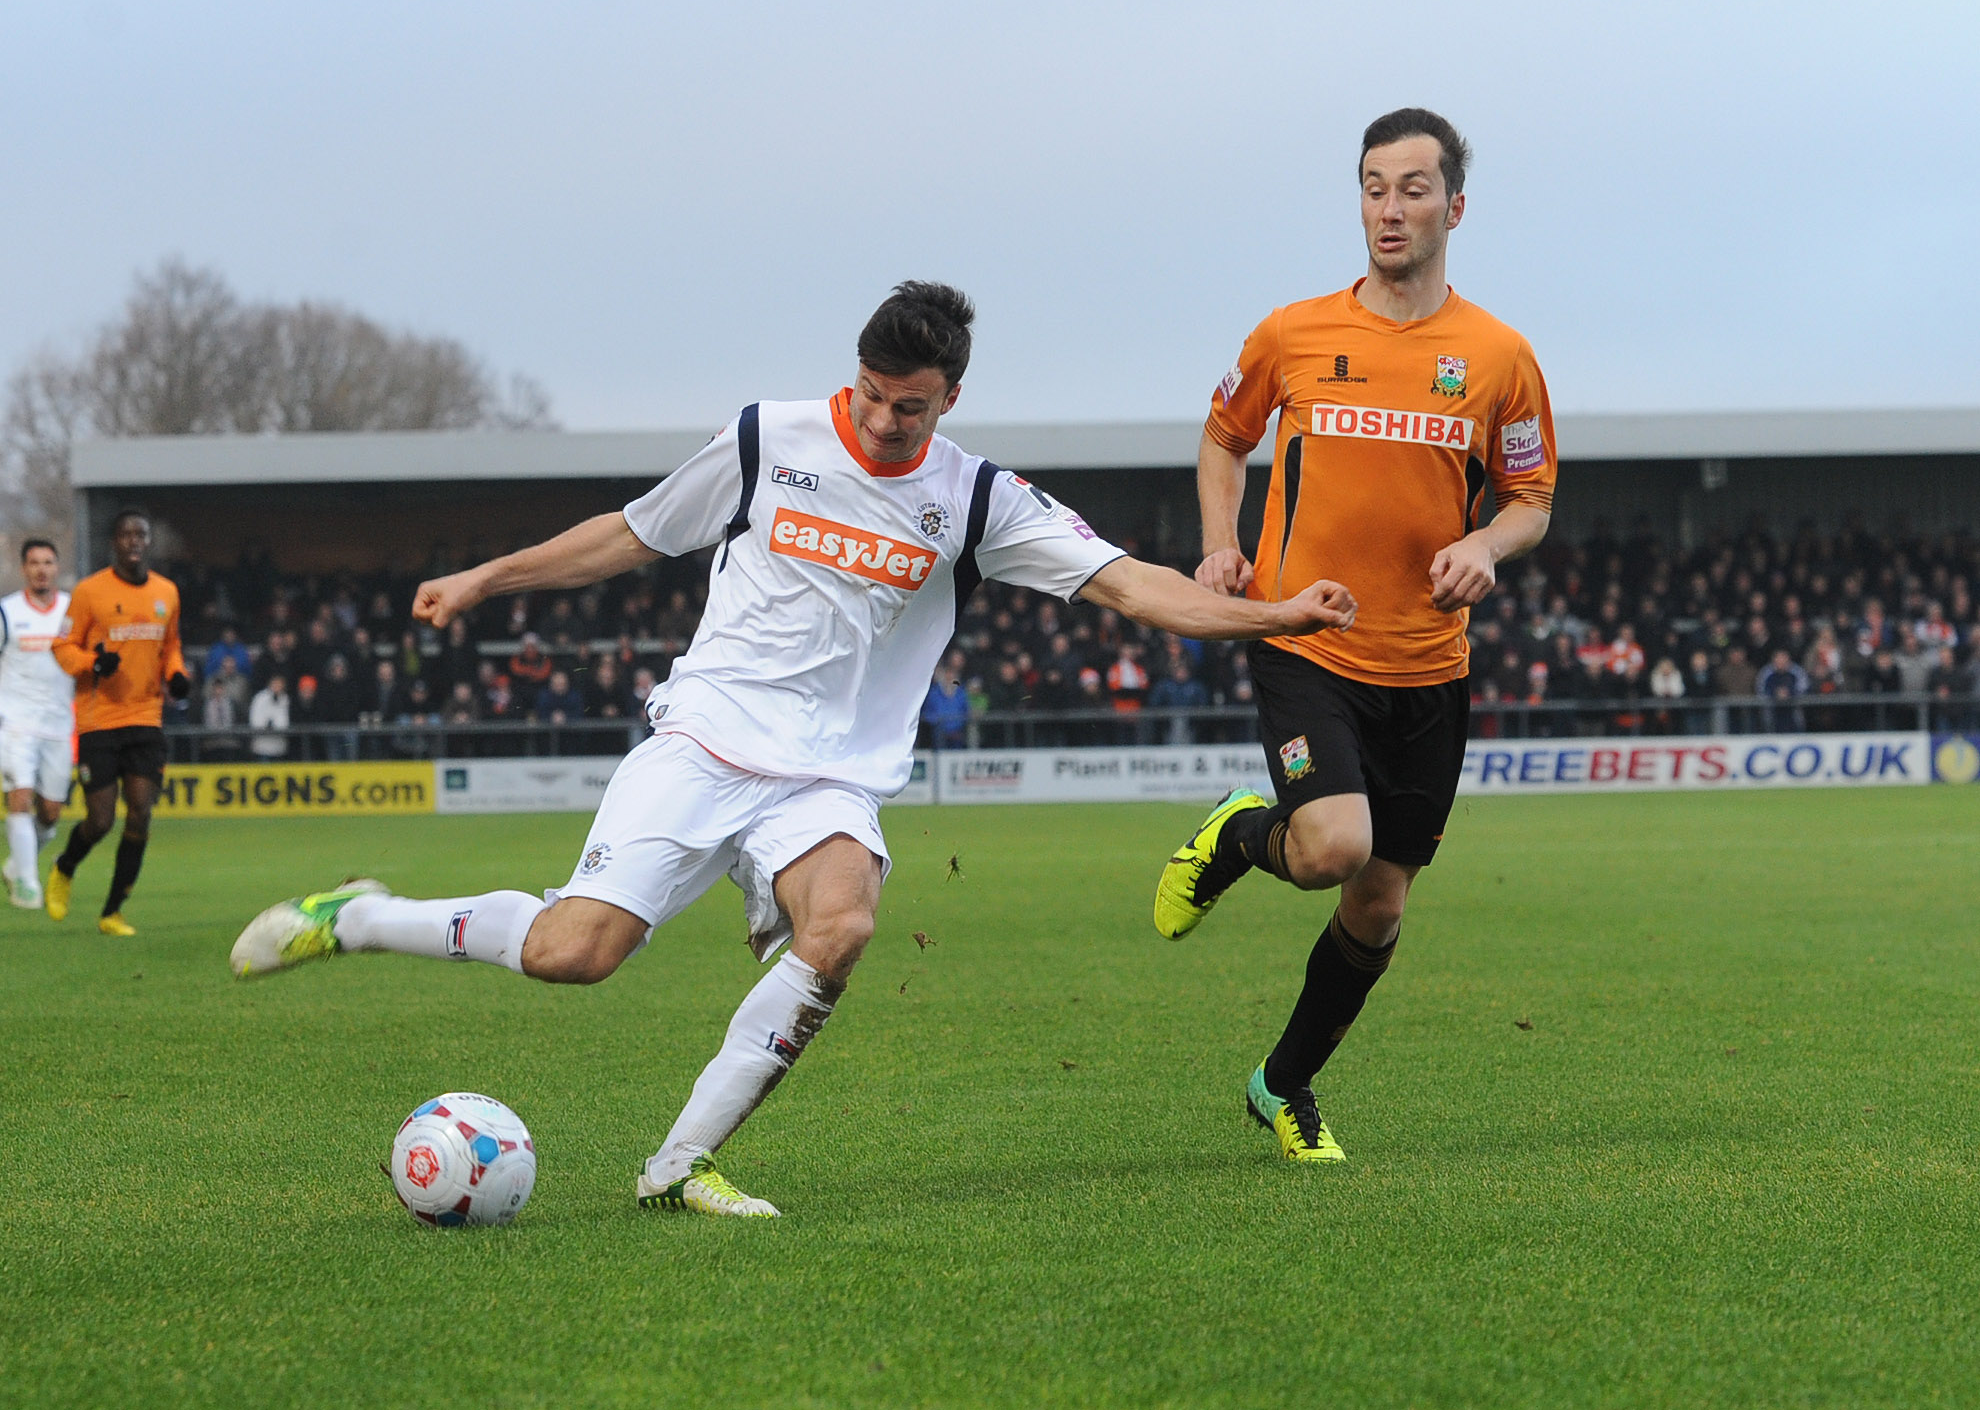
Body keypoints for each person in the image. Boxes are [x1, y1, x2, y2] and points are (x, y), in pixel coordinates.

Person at [229, 281, 1355, 1217]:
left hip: (826, 778)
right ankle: (363, 915)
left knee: (846, 920)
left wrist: (1276, 613)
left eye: (908, 408)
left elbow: (1132, 586)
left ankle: (678, 1169)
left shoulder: (976, 500)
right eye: (869, 396)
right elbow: (632, 533)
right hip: (705, 743)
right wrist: (488, 576)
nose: (881, 423)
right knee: (576, 953)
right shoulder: (769, 437)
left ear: (951, 397)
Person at [1153, 109, 1555, 1165]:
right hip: (1307, 638)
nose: (1390, 208)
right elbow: (1223, 440)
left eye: (1413, 189)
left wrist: (1488, 547)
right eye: (1374, 187)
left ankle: (1281, 1084)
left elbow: (1531, 499)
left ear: (1454, 208)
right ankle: (1249, 834)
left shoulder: (1500, 356)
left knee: (1379, 907)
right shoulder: (1292, 334)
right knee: (1333, 849)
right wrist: (1218, 545)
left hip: (1429, 666)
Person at [49, 509, 189, 935]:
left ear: (148, 541)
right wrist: (94, 662)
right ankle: (65, 866)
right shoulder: (90, 592)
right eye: (126, 534)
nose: (134, 541)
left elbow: (171, 646)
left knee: (141, 814)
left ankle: (112, 911)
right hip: (99, 720)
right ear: (114, 541)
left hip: (145, 717)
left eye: (141, 534)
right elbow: (62, 647)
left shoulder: (167, 592)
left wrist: (176, 675)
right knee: (101, 820)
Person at [0, 539, 75, 909]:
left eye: (48, 561)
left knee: (50, 813)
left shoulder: (73, 610)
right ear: (24, 569)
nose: (41, 569)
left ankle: (17, 864)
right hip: (14, 721)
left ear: (57, 567)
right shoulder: (6, 612)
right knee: (19, 795)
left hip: (59, 724)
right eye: (34, 563)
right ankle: (27, 884)